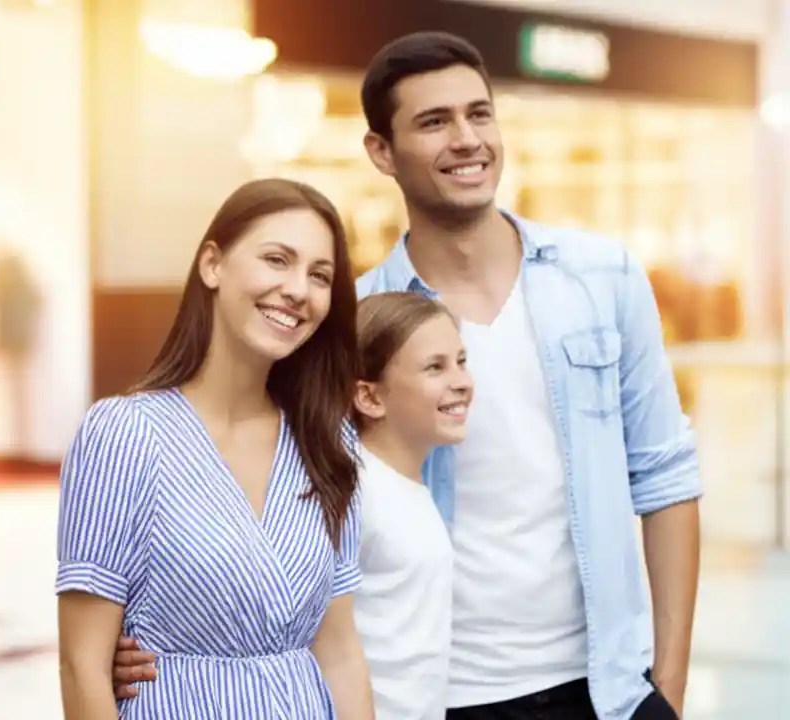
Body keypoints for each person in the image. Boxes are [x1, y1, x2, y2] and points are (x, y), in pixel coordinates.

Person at [114, 32, 700, 720]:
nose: (467, 139)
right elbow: (277, 502)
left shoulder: (602, 278)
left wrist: (669, 687)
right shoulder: (350, 323)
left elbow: (666, 479)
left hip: (607, 690)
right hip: (434, 696)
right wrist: (166, 635)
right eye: (434, 122)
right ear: (381, 153)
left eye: (479, 114)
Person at [56, 178, 374, 719]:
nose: (299, 289)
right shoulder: (122, 434)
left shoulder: (328, 439)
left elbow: (340, 651)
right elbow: (81, 665)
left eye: (319, 276)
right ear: (213, 264)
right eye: (277, 259)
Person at [350, 291, 470, 720]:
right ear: (370, 397)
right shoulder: (356, 493)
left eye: (461, 360)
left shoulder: (409, 486)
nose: (461, 381)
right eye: (435, 367)